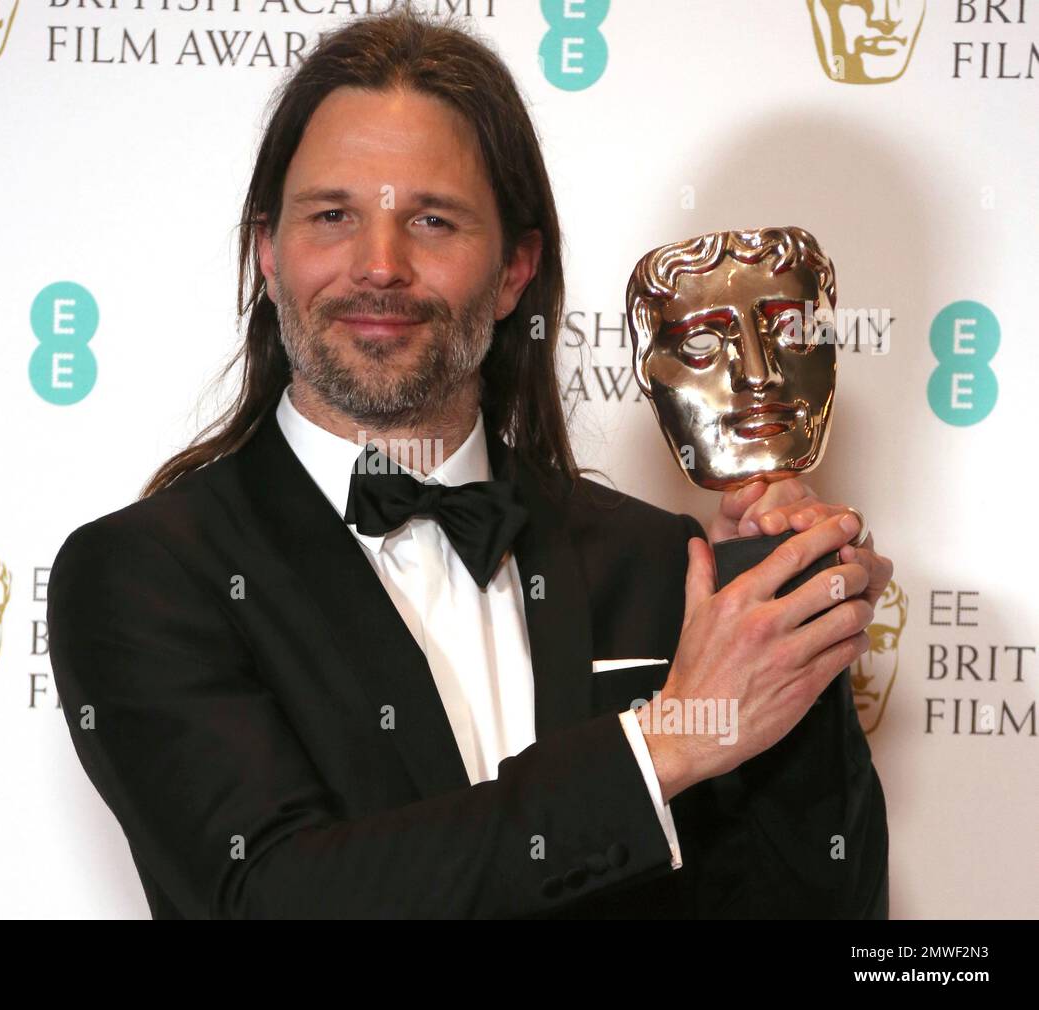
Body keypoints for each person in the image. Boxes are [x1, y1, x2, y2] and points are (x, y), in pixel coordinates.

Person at [46, 7, 893, 919]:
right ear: (268, 251)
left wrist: (788, 625)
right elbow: (278, 896)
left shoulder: (659, 566)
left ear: (515, 270)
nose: (380, 266)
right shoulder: (145, 576)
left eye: (434, 221)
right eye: (332, 215)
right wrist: (665, 745)